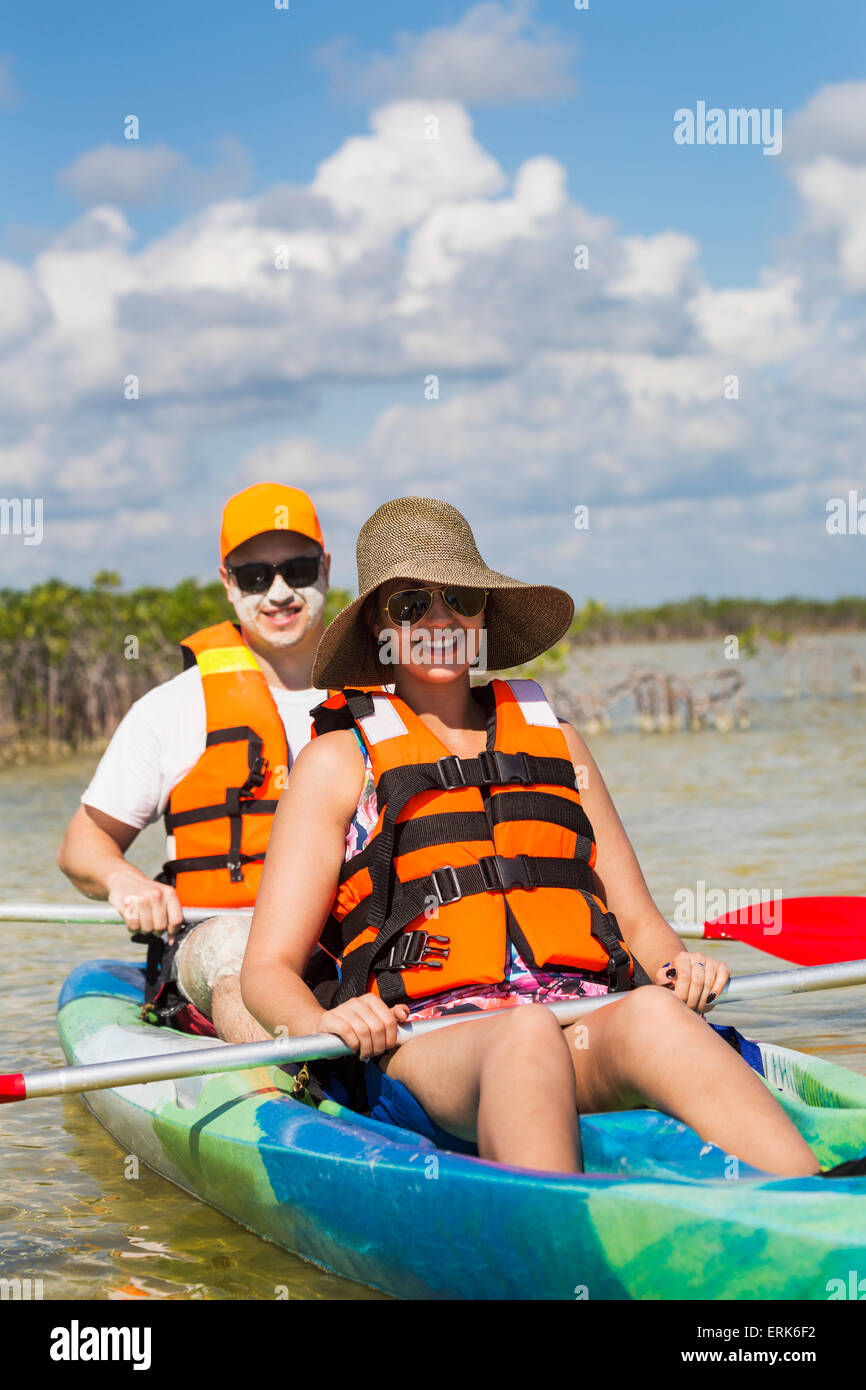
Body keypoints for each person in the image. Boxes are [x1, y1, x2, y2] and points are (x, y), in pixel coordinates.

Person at [240, 496, 823, 1177]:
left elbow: (638, 921)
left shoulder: (559, 743)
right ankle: (554, 1241)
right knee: (524, 1036)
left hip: (581, 1020)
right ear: (379, 623)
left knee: (655, 1018)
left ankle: (821, 1209)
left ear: (484, 612)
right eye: (409, 604)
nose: (438, 620)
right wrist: (319, 1026)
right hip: (431, 1046)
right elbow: (267, 970)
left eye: (458, 597)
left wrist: (676, 967)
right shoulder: (338, 762)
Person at [58, 483, 331, 1043]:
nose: (279, 593)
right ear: (229, 584)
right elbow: (81, 846)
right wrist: (124, 881)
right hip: (220, 931)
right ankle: (290, 1097)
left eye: (298, 570)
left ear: (325, 568)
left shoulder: (386, 696)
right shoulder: (171, 708)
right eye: (256, 577)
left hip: (357, 932)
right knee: (240, 963)